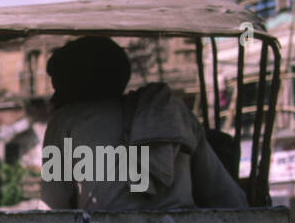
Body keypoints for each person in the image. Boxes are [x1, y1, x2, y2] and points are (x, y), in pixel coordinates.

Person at [41, 36, 247, 212]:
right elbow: (226, 197)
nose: (54, 98)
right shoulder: (171, 111)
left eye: (59, 87)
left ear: (77, 83)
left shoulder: (64, 121)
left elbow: (54, 206)